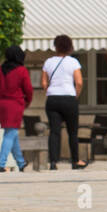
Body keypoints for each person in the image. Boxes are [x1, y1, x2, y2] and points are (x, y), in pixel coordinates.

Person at [42, 34, 84, 170]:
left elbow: (43, 82)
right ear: (69, 46)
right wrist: (75, 95)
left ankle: (53, 162)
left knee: (54, 131)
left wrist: (50, 91)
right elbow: (79, 82)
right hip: (69, 98)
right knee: (72, 131)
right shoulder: (73, 62)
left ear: (56, 46)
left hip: (53, 98)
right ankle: (75, 161)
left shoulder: (48, 62)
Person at [0, 45, 34, 172]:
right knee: (10, 134)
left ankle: (21, 163)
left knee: (12, 133)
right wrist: (27, 102)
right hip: (14, 104)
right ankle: (1, 163)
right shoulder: (22, 70)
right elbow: (28, 89)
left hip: (0, 105)